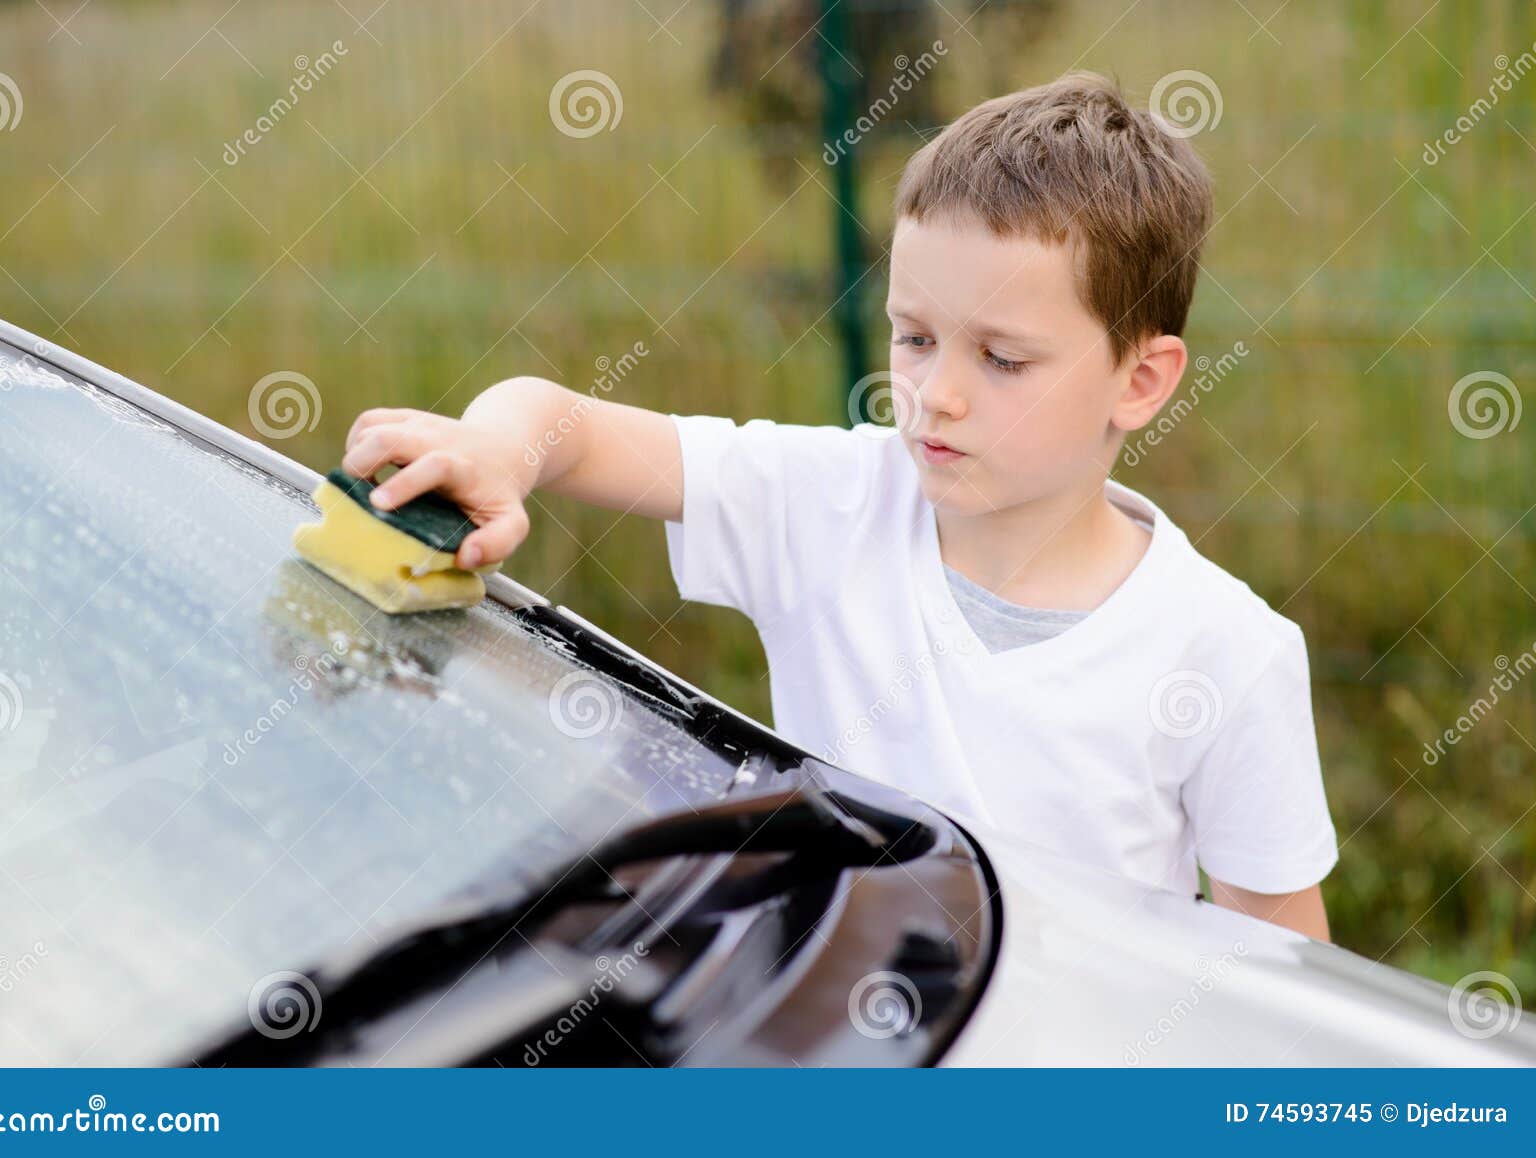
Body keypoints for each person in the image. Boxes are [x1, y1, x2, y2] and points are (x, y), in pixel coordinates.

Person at [340, 72, 1338, 940]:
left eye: (1001, 358)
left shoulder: (1228, 654)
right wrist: (496, 449)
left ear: (1141, 380)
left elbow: (1284, 980)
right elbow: (568, 425)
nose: (936, 394)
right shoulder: (826, 505)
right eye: (914, 338)